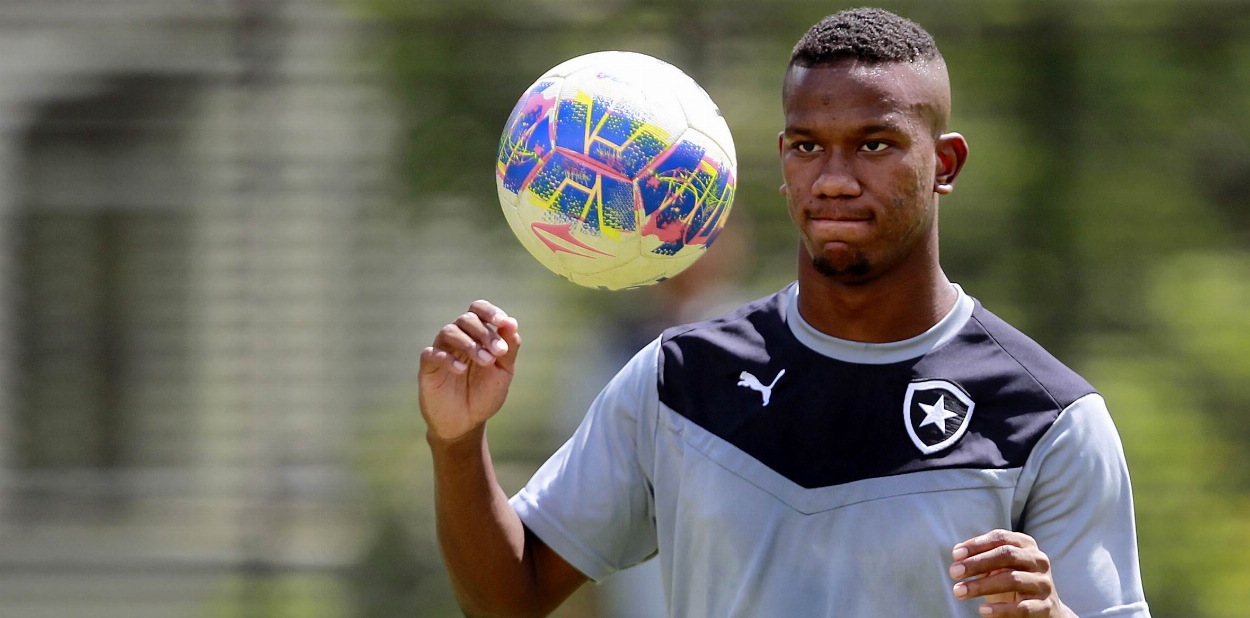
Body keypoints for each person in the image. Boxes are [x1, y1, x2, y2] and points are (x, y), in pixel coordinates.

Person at [419, 8, 1151, 618]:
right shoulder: (680, 382)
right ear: (782, 160)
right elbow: (508, 599)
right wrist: (457, 444)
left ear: (946, 165)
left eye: (875, 144)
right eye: (808, 146)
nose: (834, 179)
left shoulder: (1050, 420)